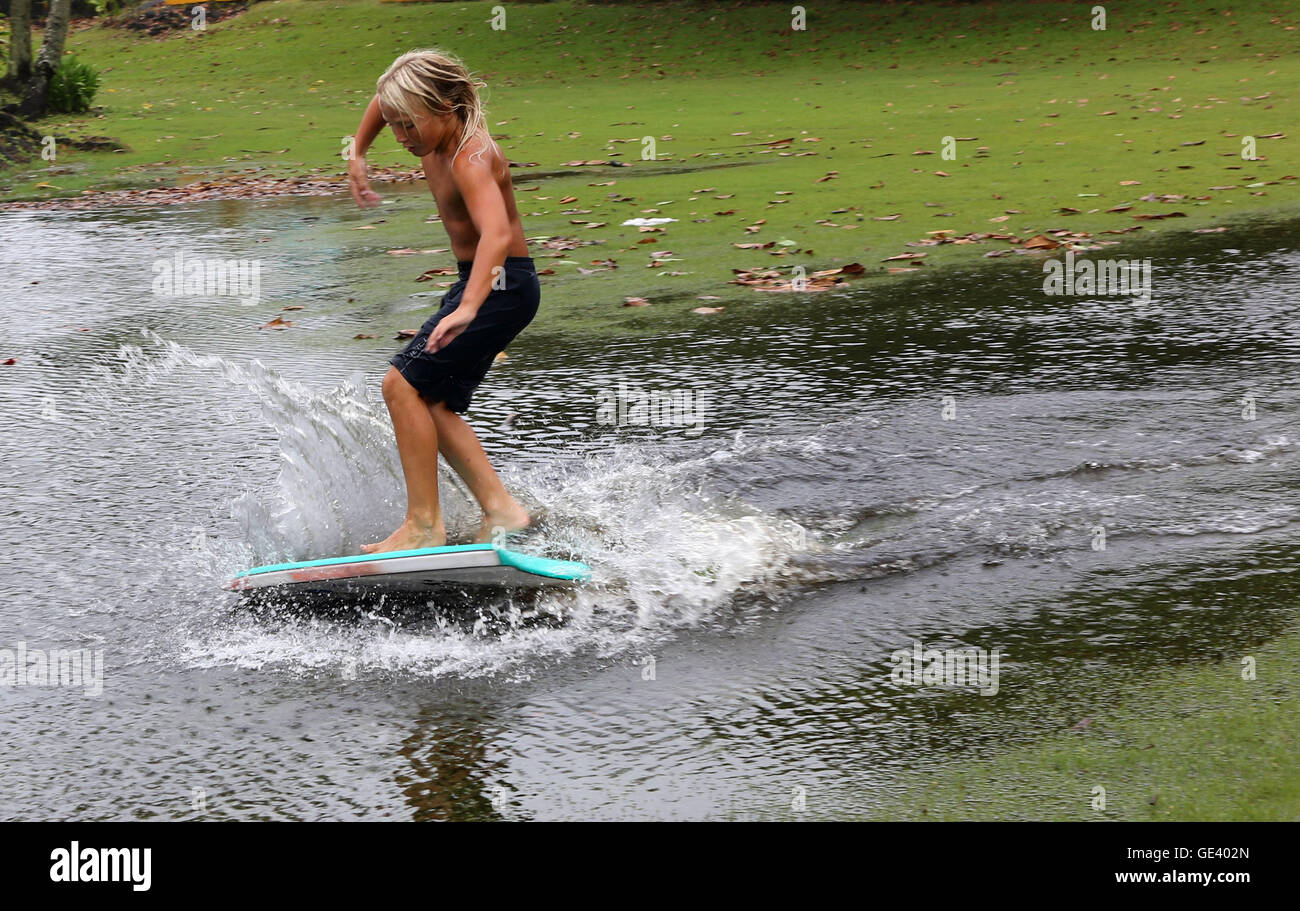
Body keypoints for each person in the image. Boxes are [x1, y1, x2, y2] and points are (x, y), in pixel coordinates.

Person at [347, 49, 537, 553]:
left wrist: (470, 306)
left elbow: (496, 234)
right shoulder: (426, 125)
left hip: (501, 286)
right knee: (428, 400)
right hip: (480, 282)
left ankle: (424, 526)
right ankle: (501, 508)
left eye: (409, 125)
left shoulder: (472, 156)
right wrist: (358, 152)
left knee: (400, 385)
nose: (402, 137)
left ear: (445, 106)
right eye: (394, 126)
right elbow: (383, 100)